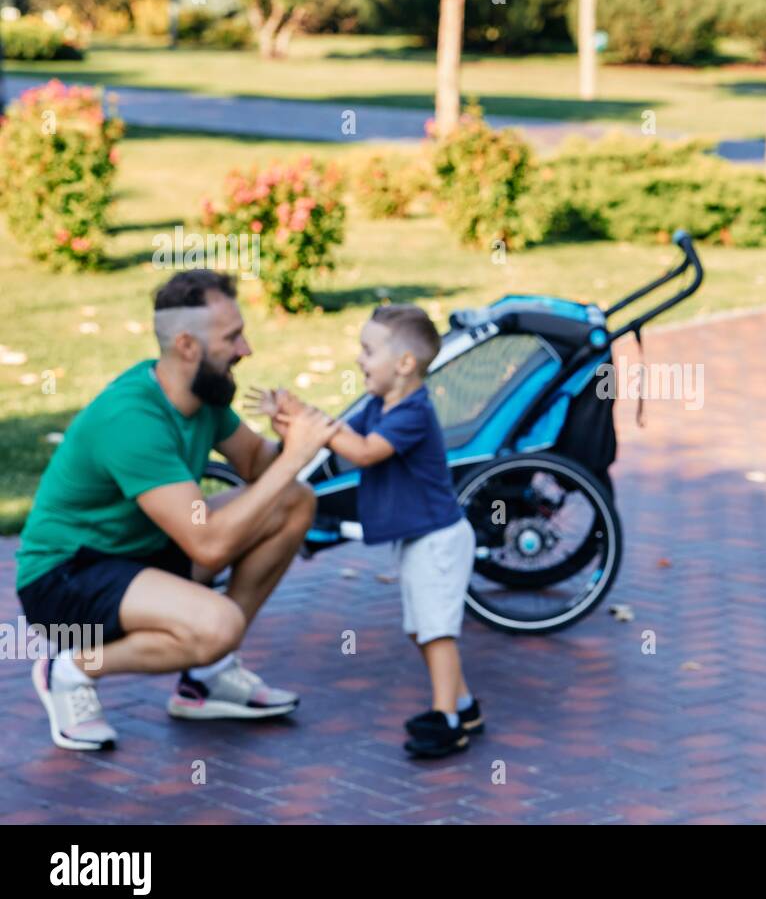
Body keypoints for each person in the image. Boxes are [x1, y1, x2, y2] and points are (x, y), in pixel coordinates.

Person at [15, 269, 340, 751]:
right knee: (219, 624)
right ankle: (69, 670)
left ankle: (206, 674)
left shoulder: (202, 394)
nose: (246, 349)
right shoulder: (132, 418)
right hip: (66, 576)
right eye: (232, 337)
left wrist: (289, 439)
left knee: (294, 502)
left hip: (141, 552)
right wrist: (294, 458)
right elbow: (207, 544)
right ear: (187, 345)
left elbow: (256, 465)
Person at [255, 304, 479, 759]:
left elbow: (362, 452)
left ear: (404, 364)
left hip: (439, 539)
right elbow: (334, 439)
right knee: (421, 631)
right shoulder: (380, 404)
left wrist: (309, 416)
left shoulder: (412, 412)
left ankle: (447, 722)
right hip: (418, 538)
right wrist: (294, 422)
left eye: (368, 350)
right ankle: (464, 704)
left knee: (436, 632)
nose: (359, 359)